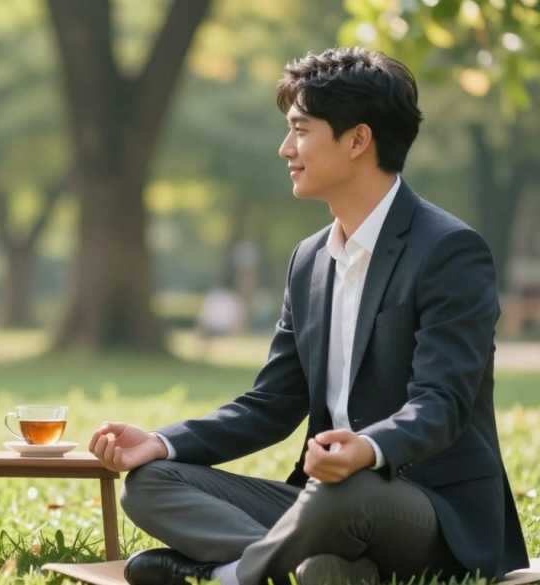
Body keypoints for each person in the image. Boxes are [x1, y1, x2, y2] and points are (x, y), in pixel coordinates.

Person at [89, 47, 528, 585]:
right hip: (321, 501)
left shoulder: (449, 250)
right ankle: (316, 569)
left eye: (300, 130)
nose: (286, 148)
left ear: (358, 140)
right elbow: (271, 405)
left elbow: (443, 402)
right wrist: (162, 442)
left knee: (346, 494)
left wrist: (369, 449)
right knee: (151, 482)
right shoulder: (309, 260)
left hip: (429, 511)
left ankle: (227, 577)